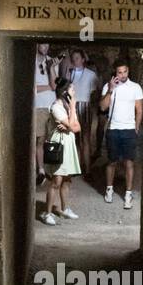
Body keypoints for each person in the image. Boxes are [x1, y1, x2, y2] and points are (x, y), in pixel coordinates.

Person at [99, 58, 143, 210]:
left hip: (129, 129)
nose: (123, 75)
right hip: (113, 129)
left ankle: (128, 193)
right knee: (112, 161)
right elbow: (103, 107)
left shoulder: (136, 87)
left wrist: (136, 127)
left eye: (125, 72)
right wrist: (111, 89)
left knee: (129, 162)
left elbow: (139, 109)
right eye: (119, 72)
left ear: (128, 71)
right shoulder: (108, 86)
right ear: (115, 73)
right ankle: (109, 189)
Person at [40, 78, 81, 226]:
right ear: (65, 92)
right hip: (59, 146)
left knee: (67, 179)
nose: (74, 92)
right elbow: (72, 124)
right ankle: (48, 213)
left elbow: (77, 128)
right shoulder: (56, 107)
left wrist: (72, 111)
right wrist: (71, 122)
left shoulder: (67, 107)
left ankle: (64, 209)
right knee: (56, 181)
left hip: (69, 145)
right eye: (72, 90)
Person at [66, 47, 101, 173]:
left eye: (77, 58)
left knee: (85, 139)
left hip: (85, 106)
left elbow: (96, 92)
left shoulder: (91, 75)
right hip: (72, 106)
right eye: (73, 58)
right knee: (74, 138)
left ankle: (87, 169)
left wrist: (93, 106)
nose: (75, 60)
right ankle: (76, 167)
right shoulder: (69, 73)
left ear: (82, 59)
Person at [33, 42, 56, 185]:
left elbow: (55, 85)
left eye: (47, 44)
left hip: (52, 106)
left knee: (52, 139)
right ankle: (40, 170)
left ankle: (52, 169)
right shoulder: (31, 62)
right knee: (39, 140)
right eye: (42, 44)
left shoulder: (51, 61)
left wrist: (52, 67)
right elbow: (32, 87)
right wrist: (48, 87)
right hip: (38, 106)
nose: (46, 46)